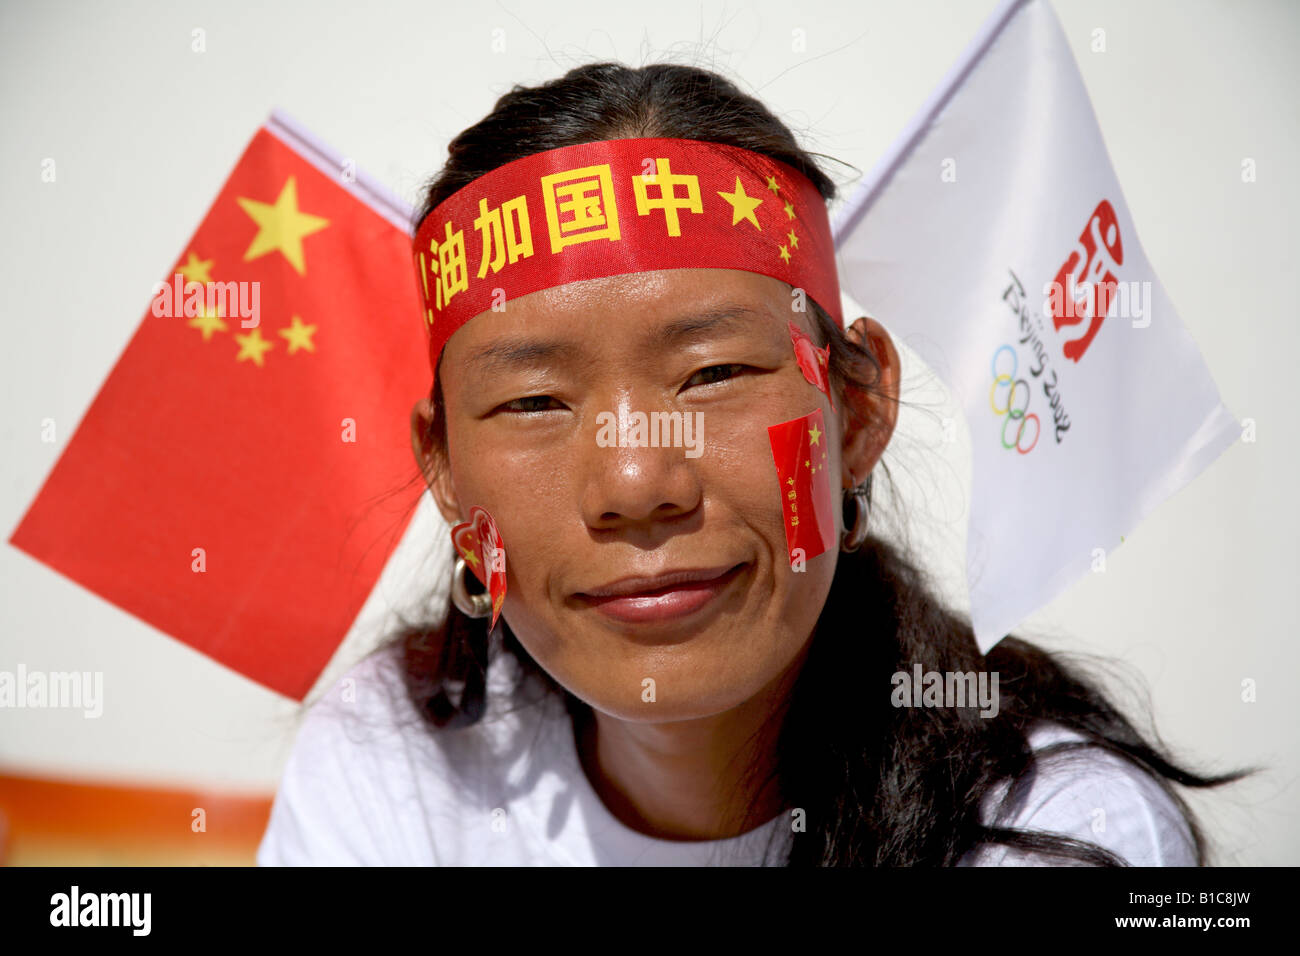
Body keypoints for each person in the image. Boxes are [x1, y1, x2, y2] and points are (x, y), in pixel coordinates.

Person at [257, 61, 1247, 867]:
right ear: (443, 468)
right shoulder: (392, 766)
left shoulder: (1058, 834)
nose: (637, 485)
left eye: (713, 373)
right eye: (534, 401)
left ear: (854, 407)